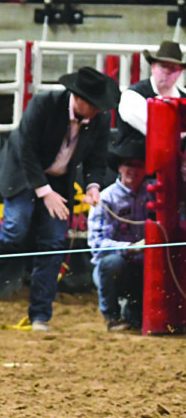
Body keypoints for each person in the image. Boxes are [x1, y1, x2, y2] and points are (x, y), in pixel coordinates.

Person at [0, 66, 119, 332]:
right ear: (79, 99)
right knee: (15, 227)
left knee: (54, 242)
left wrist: (93, 185)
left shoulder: (99, 120)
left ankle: (40, 316)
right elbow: (26, 150)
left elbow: (96, 158)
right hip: (22, 174)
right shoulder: (45, 104)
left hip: (58, 179)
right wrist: (44, 192)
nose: (99, 111)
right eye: (95, 105)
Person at [90, 135, 148, 332]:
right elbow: (97, 244)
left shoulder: (153, 194)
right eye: (128, 164)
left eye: (139, 165)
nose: (133, 170)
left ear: (146, 169)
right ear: (119, 168)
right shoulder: (106, 199)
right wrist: (130, 248)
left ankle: (133, 313)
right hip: (117, 266)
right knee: (111, 264)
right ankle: (112, 317)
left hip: (146, 267)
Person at [115, 40, 184, 149]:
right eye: (163, 66)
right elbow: (156, 130)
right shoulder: (132, 95)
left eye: (173, 68)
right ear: (153, 67)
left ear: (180, 72)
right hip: (136, 161)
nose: (167, 72)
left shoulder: (183, 98)